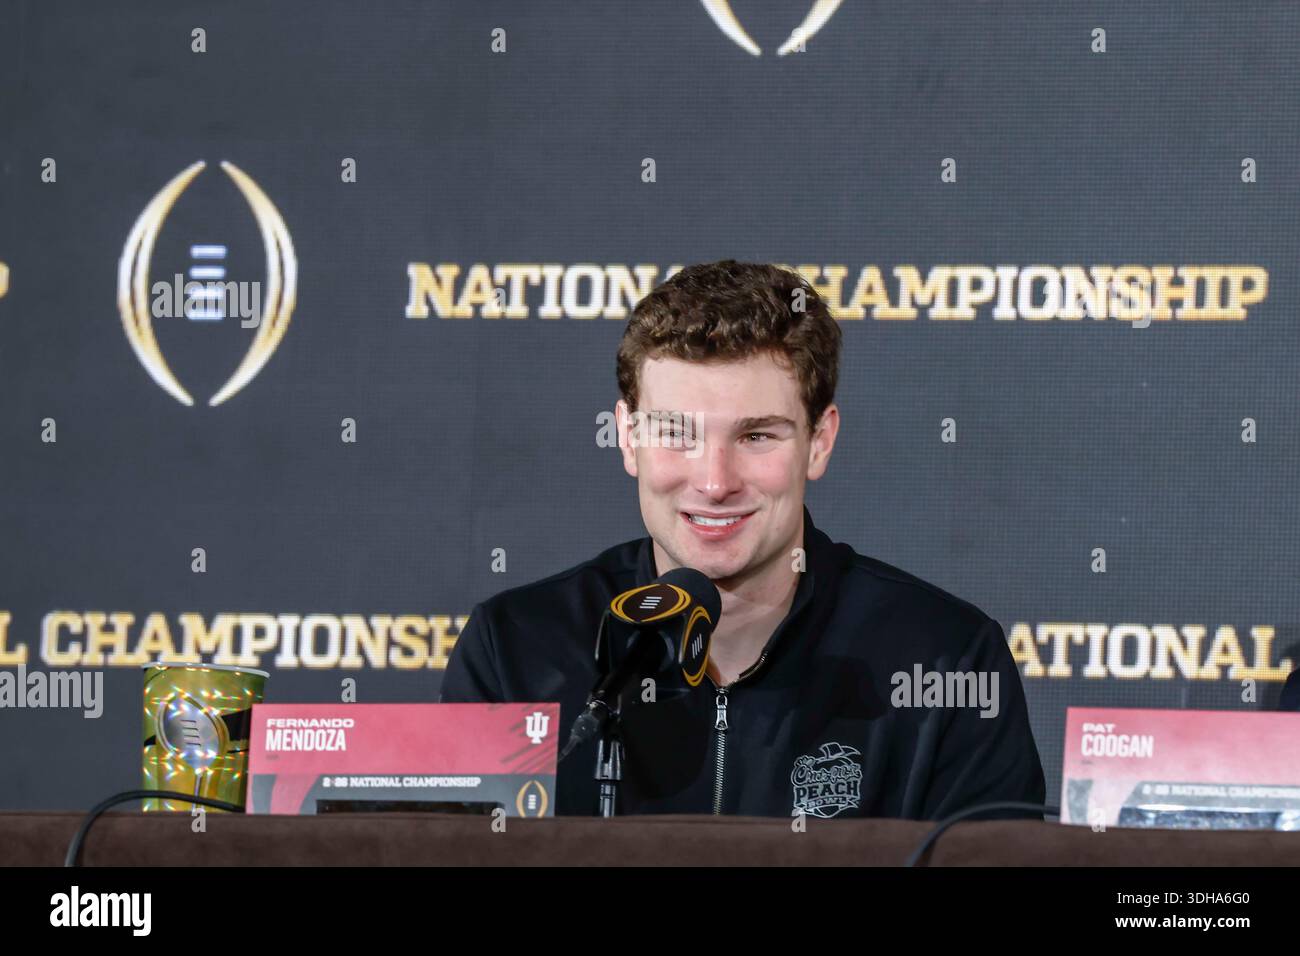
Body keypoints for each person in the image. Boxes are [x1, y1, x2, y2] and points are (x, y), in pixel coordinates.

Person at [441, 259, 1046, 819]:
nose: (714, 481)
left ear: (819, 441)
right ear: (627, 437)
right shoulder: (515, 651)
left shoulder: (948, 659)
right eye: (676, 432)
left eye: (757, 436)